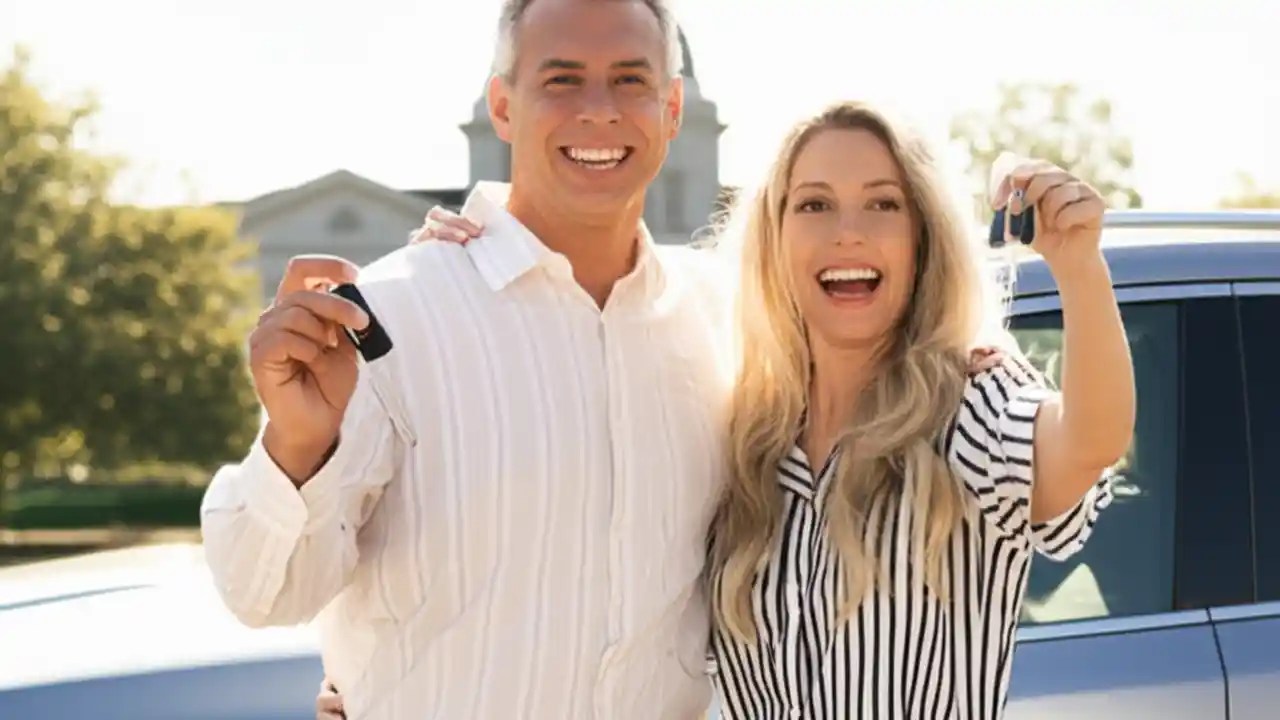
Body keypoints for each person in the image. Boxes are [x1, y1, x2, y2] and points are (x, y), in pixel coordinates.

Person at [389, 102, 1134, 719]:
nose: (848, 229)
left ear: (921, 239)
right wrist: (468, 274)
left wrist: (1078, 268)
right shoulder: (737, 429)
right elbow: (576, 558)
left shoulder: (967, 402)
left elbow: (1089, 442)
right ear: (775, 239)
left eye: (883, 203)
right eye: (814, 204)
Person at [201, 0, 733, 718]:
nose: (599, 110)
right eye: (563, 80)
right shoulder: (388, 317)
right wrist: (298, 446)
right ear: (503, 107)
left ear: (671, 108)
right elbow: (263, 595)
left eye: (631, 81)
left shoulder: (727, 322)